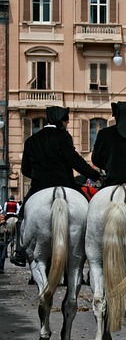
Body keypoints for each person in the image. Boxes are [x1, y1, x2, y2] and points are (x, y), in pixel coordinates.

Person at [13, 106, 102, 265]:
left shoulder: (31, 140)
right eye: (66, 121)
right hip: (65, 185)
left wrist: (38, 176)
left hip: (39, 187)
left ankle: (20, 251)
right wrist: (95, 175)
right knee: (87, 209)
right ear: (61, 122)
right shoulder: (63, 137)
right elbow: (75, 161)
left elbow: (25, 169)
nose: (67, 124)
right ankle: (90, 247)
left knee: (22, 214)